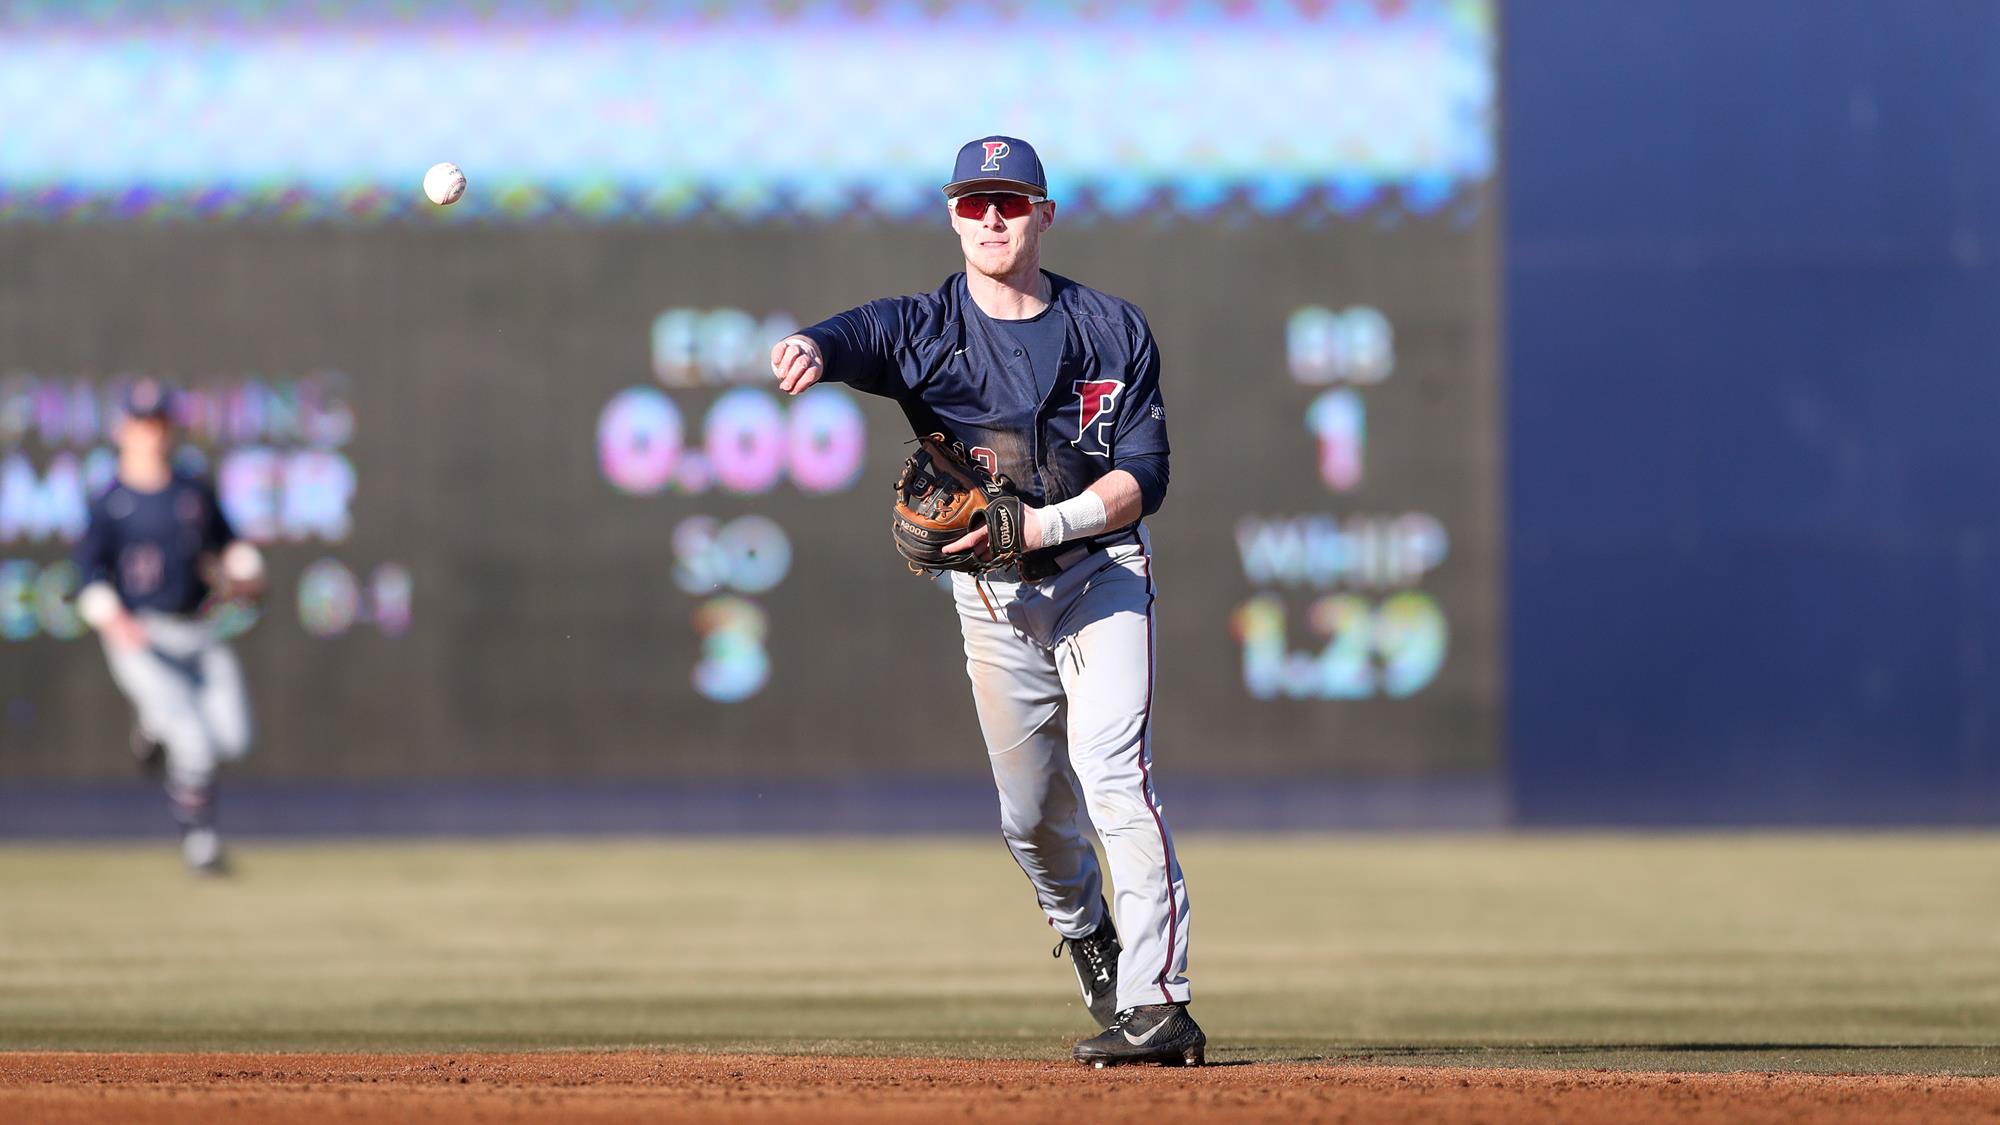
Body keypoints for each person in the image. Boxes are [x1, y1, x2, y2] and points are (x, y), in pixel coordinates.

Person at [769, 136, 1200, 1067]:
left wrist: (1043, 525)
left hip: (1100, 574)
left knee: (1112, 773)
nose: (993, 217)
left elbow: (1146, 478)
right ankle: (1085, 930)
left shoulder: (1111, 328)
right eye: (974, 202)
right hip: (994, 601)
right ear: (953, 215)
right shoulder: (927, 328)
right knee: (1031, 818)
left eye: (1010, 201)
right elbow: (854, 335)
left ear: (1045, 213)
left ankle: (1159, 1002)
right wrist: (811, 345)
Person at [72, 379, 262, 875]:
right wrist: (114, 619)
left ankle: (152, 725)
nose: (150, 433)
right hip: (142, 635)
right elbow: (88, 575)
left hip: (196, 630)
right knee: (192, 741)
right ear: (122, 428)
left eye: (157, 422)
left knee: (233, 739)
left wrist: (244, 571)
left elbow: (229, 544)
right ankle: (201, 843)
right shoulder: (109, 500)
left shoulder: (191, 489)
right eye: (141, 423)